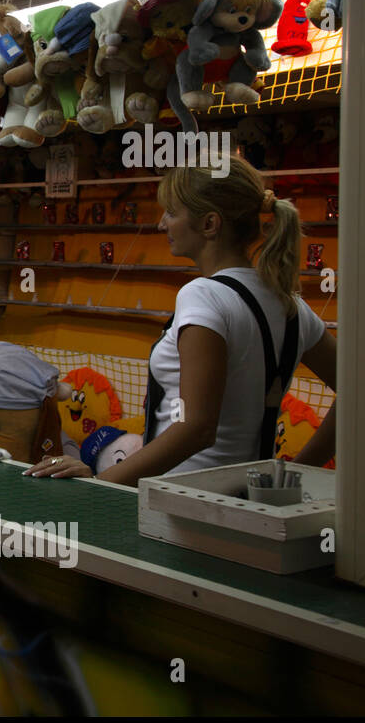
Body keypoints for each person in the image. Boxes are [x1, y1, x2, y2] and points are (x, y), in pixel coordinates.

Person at [25, 154, 336, 484]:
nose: (162, 224)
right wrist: (297, 472)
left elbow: (197, 429)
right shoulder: (291, 305)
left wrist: (100, 486)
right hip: (249, 500)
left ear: (209, 224)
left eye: (172, 213)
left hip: (183, 503)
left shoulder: (204, 295)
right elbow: (360, 395)